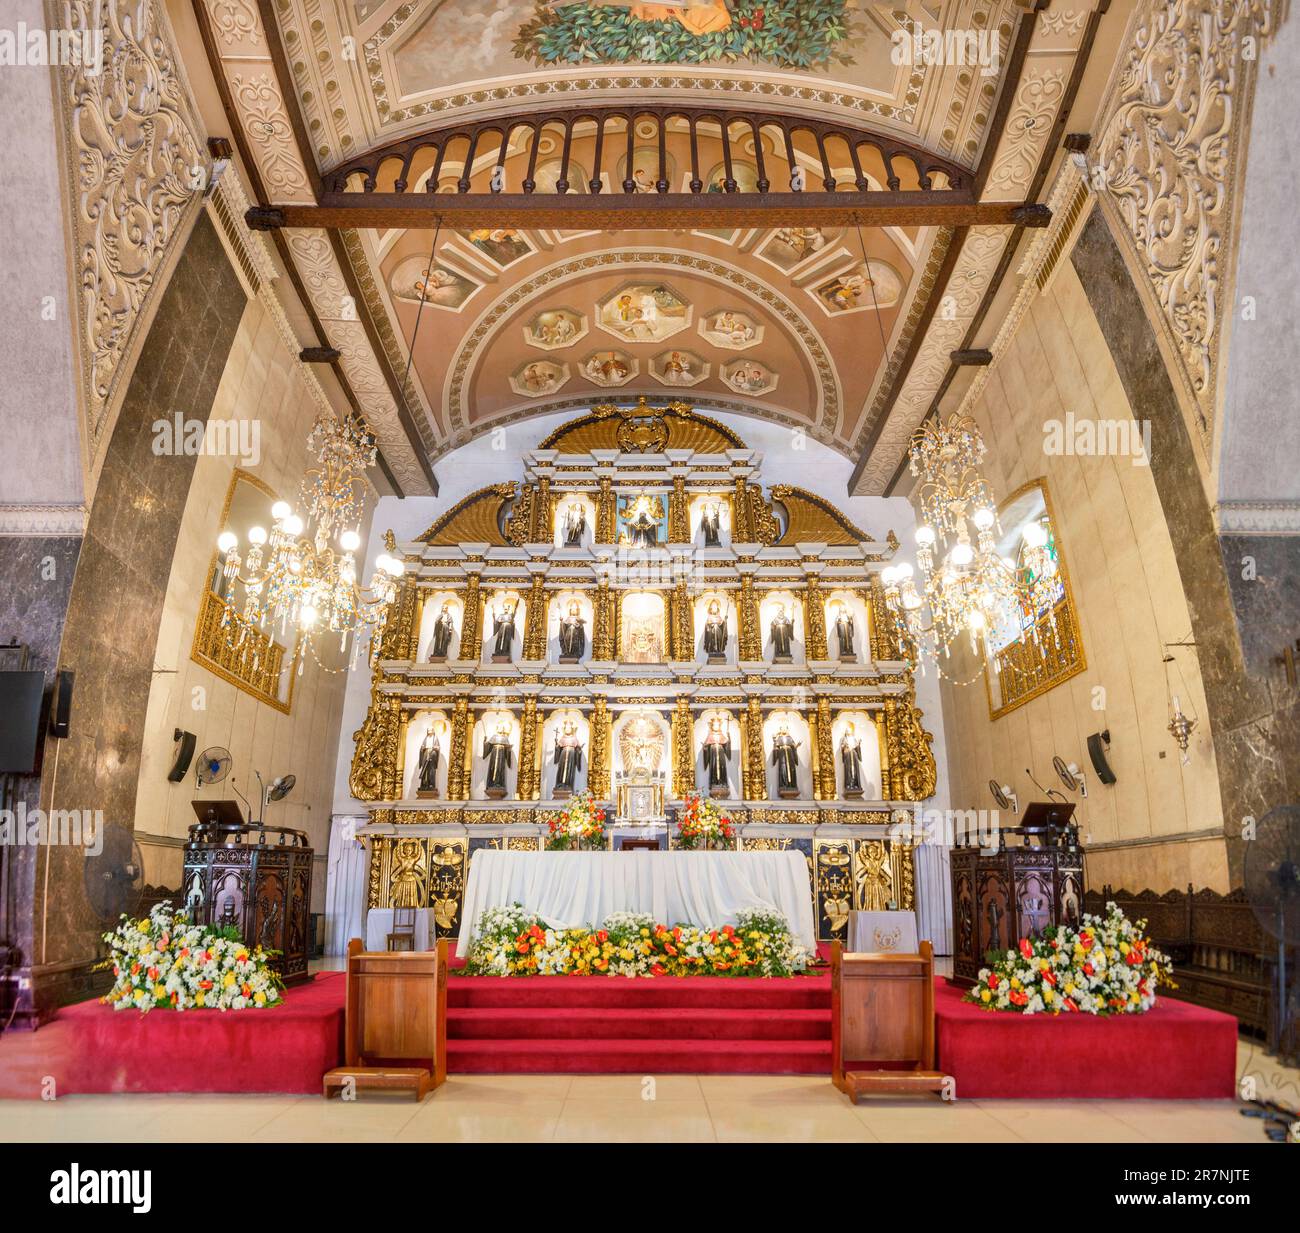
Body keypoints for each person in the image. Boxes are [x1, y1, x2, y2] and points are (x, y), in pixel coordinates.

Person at [552, 718, 584, 796]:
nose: (568, 729)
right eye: (566, 727)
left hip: (571, 755)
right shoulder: (562, 738)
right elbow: (558, 749)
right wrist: (556, 745)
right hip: (563, 754)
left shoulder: (574, 738)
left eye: (569, 727)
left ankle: (567, 784)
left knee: (569, 769)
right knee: (561, 769)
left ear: (572, 729)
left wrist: (579, 750)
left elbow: (578, 750)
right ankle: (559, 784)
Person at [701, 714, 731, 796]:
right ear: (712, 726)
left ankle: (722, 783)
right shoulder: (710, 736)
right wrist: (705, 748)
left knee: (722, 768)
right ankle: (714, 783)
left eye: (717, 725)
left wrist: (729, 738)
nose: (716, 726)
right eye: (714, 725)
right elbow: (706, 747)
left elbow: (727, 746)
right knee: (713, 768)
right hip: (713, 755)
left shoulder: (722, 736)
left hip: (721, 755)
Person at [483, 720, 514, 796]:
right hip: (494, 755)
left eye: (502, 727)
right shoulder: (494, 737)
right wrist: (484, 742)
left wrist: (509, 749)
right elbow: (488, 746)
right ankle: (491, 784)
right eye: (500, 727)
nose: (501, 728)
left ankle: (499, 784)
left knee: (500, 770)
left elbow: (507, 750)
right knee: (493, 769)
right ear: (497, 728)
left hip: (501, 756)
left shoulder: (505, 738)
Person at [770, 724, 800, 797]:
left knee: (792, 769)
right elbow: (776, 748)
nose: (784, 729)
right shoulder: (778, 738)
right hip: (782, 753)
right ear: (780, 729)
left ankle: (792, 785)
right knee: (783, 769)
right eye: (782, 728)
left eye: (785, 728)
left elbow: (794, 747)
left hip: (790, 754)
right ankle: (784, 785)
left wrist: (797, 746)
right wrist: (774, 741)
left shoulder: (790, 738)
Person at [839, 721, 863, 797]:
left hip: (854, 756)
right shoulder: (844, 739)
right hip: (848, 757)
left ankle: (856, 784)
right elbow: (842, 748)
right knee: (848, 770)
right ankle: (849, 784)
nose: (848, 731)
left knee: (855, 770)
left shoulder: (854, 738)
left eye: (849, 730)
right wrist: (844, 747)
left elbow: (857, 748)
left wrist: (858, 744)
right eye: (847, 730)